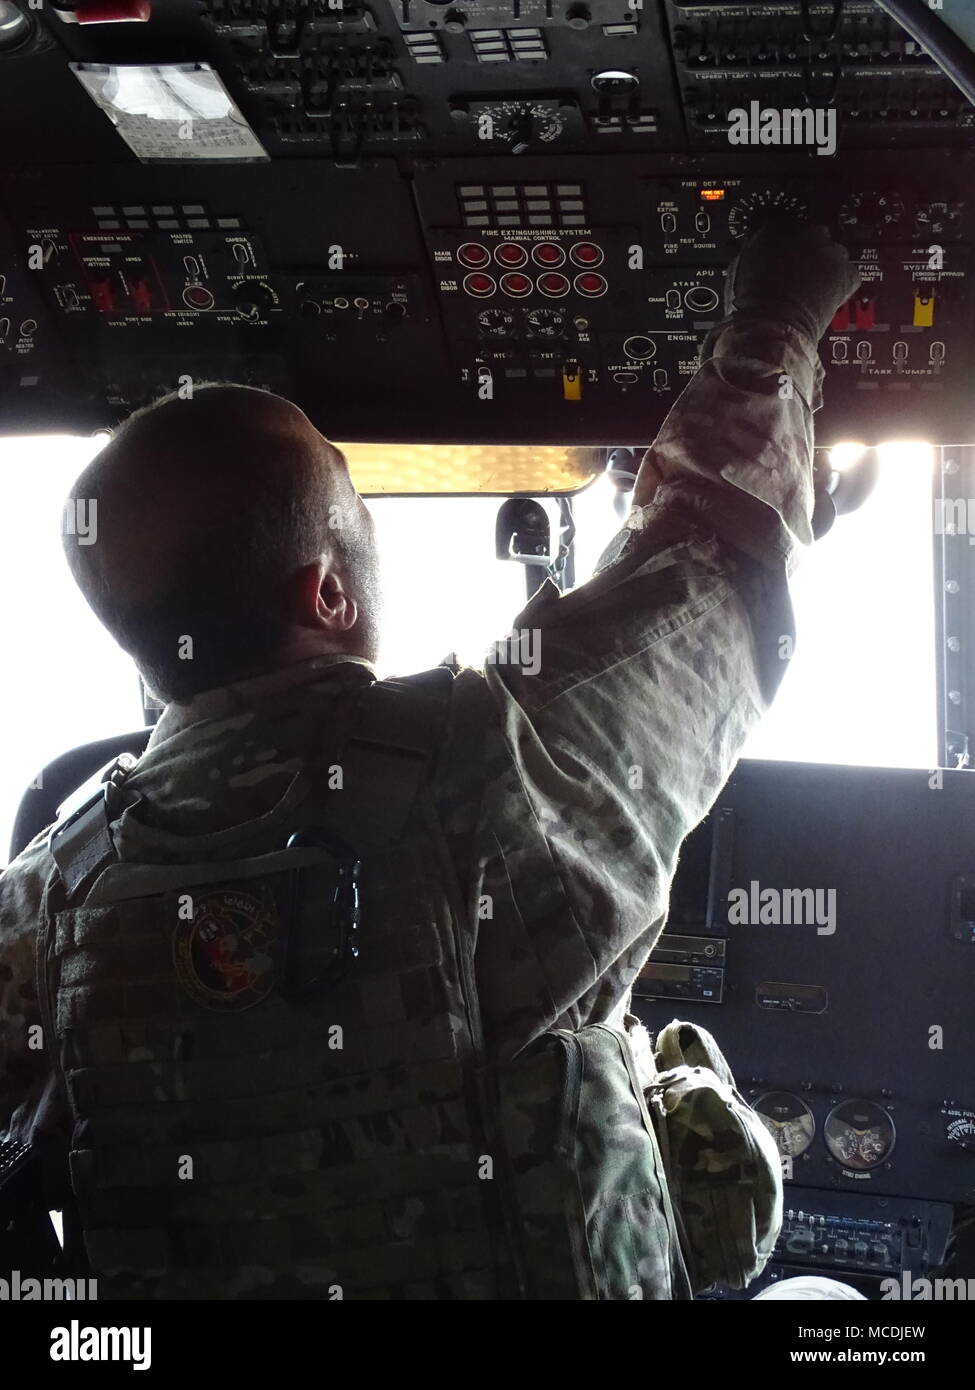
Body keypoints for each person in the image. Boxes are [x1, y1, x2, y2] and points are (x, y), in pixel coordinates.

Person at [0, 222, 861, 1300]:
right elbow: (716, 559)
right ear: (328, 593)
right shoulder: (499, 762)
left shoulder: (48, 898)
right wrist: (789, 291)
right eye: (354, 498)